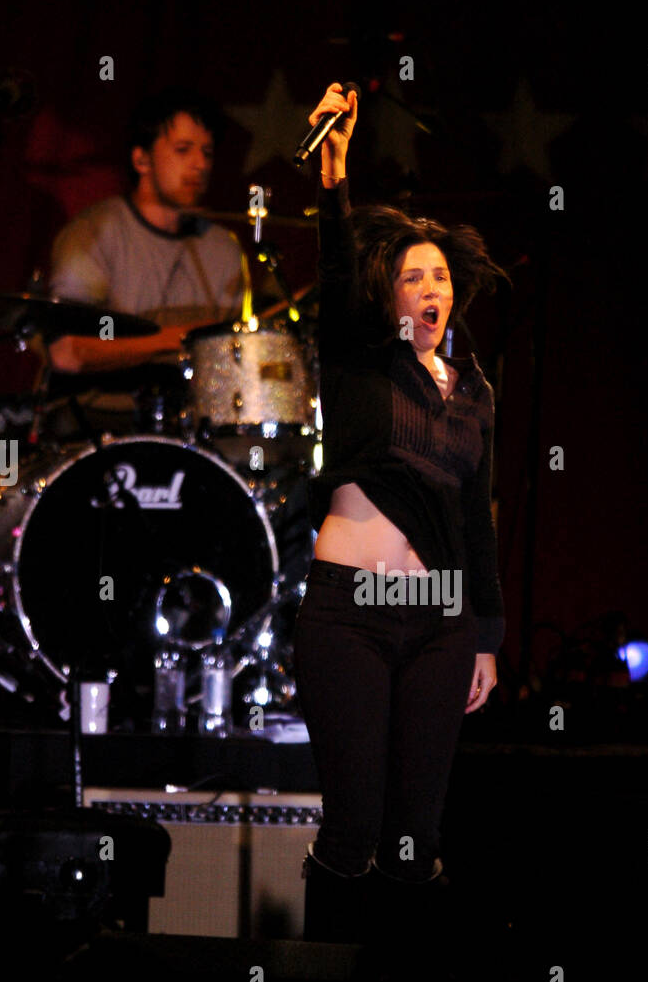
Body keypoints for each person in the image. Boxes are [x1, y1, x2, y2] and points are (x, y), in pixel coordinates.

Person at [293, 82, 507, 937]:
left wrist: (486, 637)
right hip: (351, 611)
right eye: (412, 274)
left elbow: (477, 518)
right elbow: (339, 267)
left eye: (440, 275)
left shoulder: (475, 391)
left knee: (416, 840)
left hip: (439, 617)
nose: (429, 286)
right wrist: (333, 179)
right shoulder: (358, 360)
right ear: (388, 293)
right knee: (352, 828)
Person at [44, 86, 245, 428]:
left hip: (190, 428)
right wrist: (174, 339)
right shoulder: (94, 234)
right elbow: (66, 353)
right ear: (141, 160)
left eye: (207, 153)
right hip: (99, 420)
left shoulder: (223, 248)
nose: (200, 164)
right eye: (183, 150)